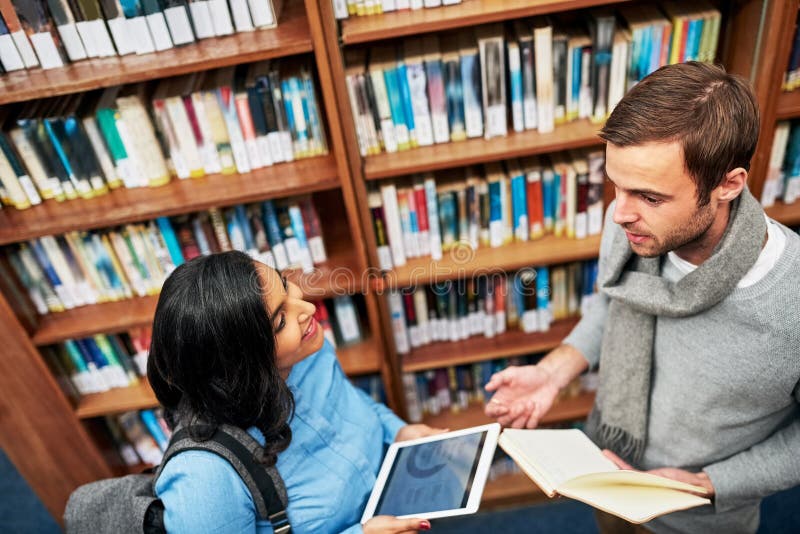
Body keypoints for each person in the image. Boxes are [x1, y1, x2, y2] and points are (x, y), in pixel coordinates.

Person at [484, 61, 800, 534]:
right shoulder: (639, 229)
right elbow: (617, 300)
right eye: (617, 184)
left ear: (728, 185)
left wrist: (706, 483)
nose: (619, 214)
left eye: (650, 197)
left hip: (701, 517)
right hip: (608, 474)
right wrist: (554, 372)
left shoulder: (790, 304)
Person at [147, 250, 443, 533]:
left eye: (285, 285)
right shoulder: (204, 479)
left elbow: (353, 405)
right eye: (280, 320)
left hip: (396, 504)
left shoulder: (307, 346)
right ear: (242, 363)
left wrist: (397, 433)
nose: (308, 308)